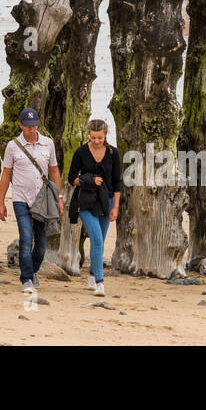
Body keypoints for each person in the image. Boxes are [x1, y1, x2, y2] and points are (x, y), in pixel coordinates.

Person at [0, 107, 64, 292]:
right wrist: (0, 202)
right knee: (26, 238)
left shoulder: (48, 144)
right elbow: (6, 174)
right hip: (21, 198)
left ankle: (33, 271)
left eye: (34, 126)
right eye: (27, 126)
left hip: (42, 200)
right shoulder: (12, 146)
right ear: (20, 125)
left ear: (38, 125)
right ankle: (26, 279)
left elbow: (54, 170)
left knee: (42, 243)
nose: (31, 130)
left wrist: (59, 197)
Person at [67, 118, 122, 295]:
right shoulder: (81, 152)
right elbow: (71, 178)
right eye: (93, 138)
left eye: (99, 138)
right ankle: (99, 282)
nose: (96, 141)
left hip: (107, 202)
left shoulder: (113, 153)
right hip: (86, 202)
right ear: (88, 135)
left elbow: (117, 182)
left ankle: (91, 276)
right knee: (97, 240)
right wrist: (89, 180)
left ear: (105, 135)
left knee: (100, 241)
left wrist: (116, 208)